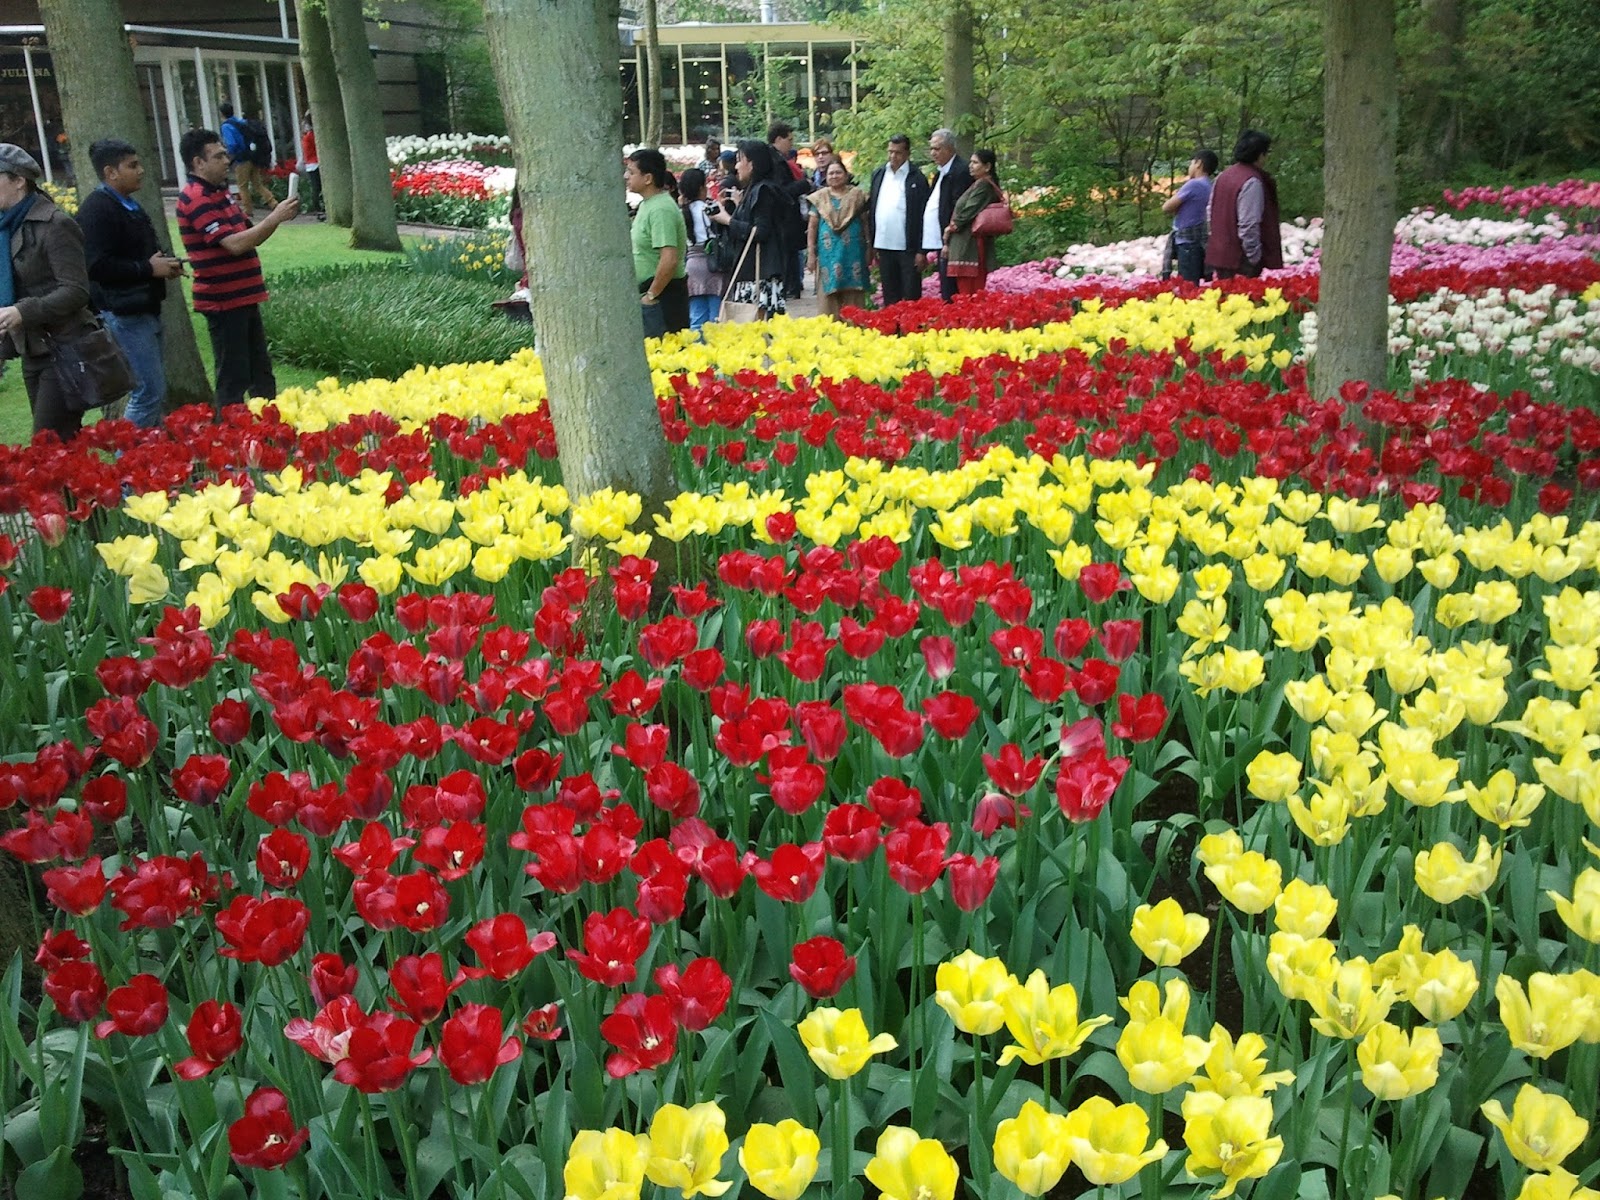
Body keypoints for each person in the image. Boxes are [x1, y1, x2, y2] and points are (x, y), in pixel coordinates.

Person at [175, 127, 298, 413]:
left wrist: (277, 218)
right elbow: (234, 244)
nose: (227, 160)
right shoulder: (195, 197)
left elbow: (248, 233)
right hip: (222, 301)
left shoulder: (220, 194)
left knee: (261, 374)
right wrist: (275, 217)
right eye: (218, 156)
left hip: (243, 297)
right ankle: (232, 445)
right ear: (198, 163)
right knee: (233, 378)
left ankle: (267, 437)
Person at [76, 138, 185, 430]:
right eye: (132, 165)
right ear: (111, 172)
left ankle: (152, 463)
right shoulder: (97, 209)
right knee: (148, 392)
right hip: (125, 312)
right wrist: (148, 268)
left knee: (154, 391)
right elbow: (95, 265)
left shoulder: (129, 205)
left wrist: (165, 266)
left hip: (144, 307)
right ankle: (128, 466)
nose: (141, 171)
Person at [0, 143, 95, 439]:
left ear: (19, 180)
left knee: (48, 444)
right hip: (32, 349)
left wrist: (21, 311)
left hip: (65, 348)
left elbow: (76, 290)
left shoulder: (55, 224)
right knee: (58, 447)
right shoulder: (6, 228)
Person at [708, 139, 787, 319]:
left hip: (759, 274)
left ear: (752, 164)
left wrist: (728, 220)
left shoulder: (763, 190)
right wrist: (736, 208)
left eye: (739, 160)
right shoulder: (753, 190)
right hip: (751, 272)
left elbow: (760, 231)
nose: (736, 166)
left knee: (757, 334)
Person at [625, 147, 690, 337]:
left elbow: (669, 259)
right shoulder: (647, 205)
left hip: (662, 299)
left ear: (648, 178)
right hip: (651, 296)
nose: (626, 176)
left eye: (631, 172)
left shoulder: (661, 209)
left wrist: (651, 296)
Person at [1206, 130, 1281, 280]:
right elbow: (1249, 224)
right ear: (1260, 155)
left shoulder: (1223, 176)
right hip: (1241, 259)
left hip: (1220, 254)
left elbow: (1210, 212)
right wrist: (1254, 256)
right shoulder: (1252, 181)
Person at [868, 134, 931, 308]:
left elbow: (923, 215)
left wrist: (921, 250)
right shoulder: (879, 174)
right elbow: (872, 206)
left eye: (898, 153)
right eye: (890, 152)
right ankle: (891, 330)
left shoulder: (917, 178)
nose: (893, 157)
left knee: (910, 295)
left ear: (907, 153)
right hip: (884, 246)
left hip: (908, 249)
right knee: (890, 295)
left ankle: (911, 332)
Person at [806, 160, 869, 316]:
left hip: (853, 253)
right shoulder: (820, 198)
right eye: (831, 173)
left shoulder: (857, 196)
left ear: (846, 175)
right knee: (828, 298)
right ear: (825, 177)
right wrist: (811, 254)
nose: (834, 176)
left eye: (838, 172)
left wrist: (870, 246)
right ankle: (831, 332)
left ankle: (855, 333)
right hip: (828, 255)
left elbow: (865, 223)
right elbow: (812, 227)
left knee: (854, 297)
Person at [921, 127, 972, 302]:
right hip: (940, 240)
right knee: (946, 288)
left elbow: (959, 208)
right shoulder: (940, 172)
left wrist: (949, 238)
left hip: (953, 240)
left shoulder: (960, 171)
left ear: (950, 149)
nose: (933, 153)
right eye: (931, 149)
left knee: (952, 291)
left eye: (937, 149)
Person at [943, 148, 1002, 295]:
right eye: (970, 162)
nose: (970, 165)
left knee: (970, 291)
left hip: (971, 246)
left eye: (975, 162)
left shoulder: (984, 185)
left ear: (987, 167)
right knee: (965, 290)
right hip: (967, 243)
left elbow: (969, 210)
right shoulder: (978, 184)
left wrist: (951, 228)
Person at [1161, 150, 1216, 284]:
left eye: (1191, 163)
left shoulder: (1193, 184)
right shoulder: (1209, 185)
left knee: (1188, 286)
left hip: (1186, 243)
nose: (1189, 167)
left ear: (1198, 164)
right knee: (1195, 284)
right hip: (1199, 241)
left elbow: (1167, 207)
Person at [767, 121, 809, 299]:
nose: (791, 144)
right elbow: (781, 191)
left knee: (791, 256)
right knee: (786, 256)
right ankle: (788, 287)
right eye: (789, 140)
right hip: (783, 220)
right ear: (778, 139)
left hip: (787, 221)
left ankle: (791, 286)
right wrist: (804, 184)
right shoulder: (774, 161)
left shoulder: (778, 159)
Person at [679, 167, 723, 331]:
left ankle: (698, 351)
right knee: (715, 316)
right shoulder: (709, 209)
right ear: (701, 188)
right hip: (712, 263)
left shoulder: (682, 212)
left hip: (692, 265)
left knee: (696, 317)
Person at [219, 103, 276, 213]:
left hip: (241, 159)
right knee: (257, 183)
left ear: (222, 114)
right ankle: (273, 202)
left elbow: (232, 144)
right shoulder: (241, 122)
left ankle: (247, 210)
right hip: (253, 156)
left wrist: (228, 155)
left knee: (242, 185)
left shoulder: (226, 126)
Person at [299, 110, 323, 220]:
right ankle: (318, 208)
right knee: (317, 187)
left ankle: (318, 208)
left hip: (310, 163)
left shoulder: (307, 135)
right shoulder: (311, 136)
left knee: (316, 187)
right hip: (315, 163)